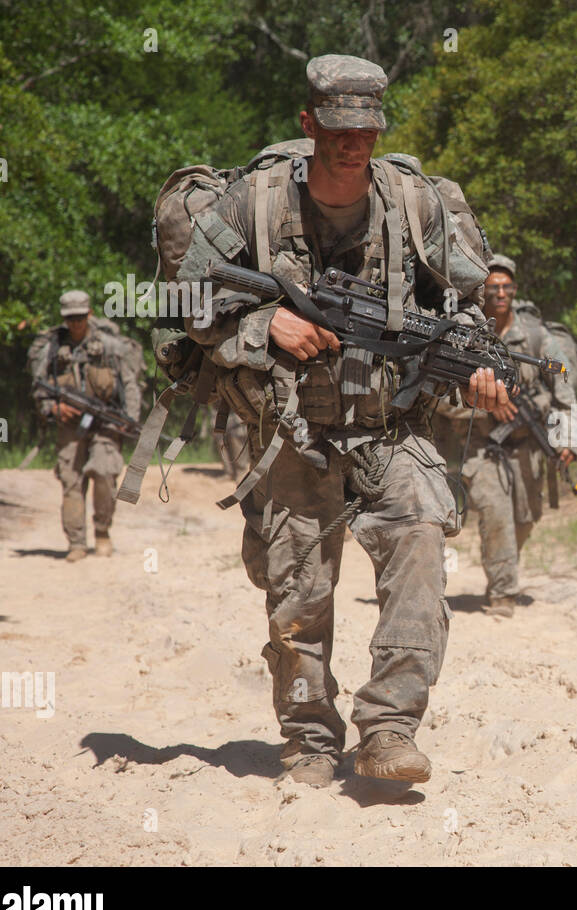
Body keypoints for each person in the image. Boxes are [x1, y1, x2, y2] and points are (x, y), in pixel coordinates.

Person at [174, 54, 511, 788]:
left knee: (421, 540)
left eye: (366, 132)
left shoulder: (414, 203)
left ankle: (389, 728)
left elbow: (465, 303)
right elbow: (183, 299)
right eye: (337, 131)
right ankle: (310, 739)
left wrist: (477, 364)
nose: (353, 145)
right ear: (309, 124)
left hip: (391, 426)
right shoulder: (255, 203)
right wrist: (265, 324)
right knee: (299, 597)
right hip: (291, 432)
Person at [438, 254, 577, 618]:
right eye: (493, 287)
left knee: (525, 519)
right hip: (483, 447)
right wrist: (487, 406)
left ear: (514, 290)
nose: (500, 293)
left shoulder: (536, 336)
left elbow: (563, 388)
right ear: (481, 291)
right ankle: (503, 594)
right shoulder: (465, 334)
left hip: (528, 446)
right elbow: (439, 397)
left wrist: (567, 439)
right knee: (496, 514)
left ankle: (502, 572)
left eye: (506, 287)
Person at [27, 290, 143, 562]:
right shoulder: (52, 348)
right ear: (64, 318)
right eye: (71, 319)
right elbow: (38, 388)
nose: (76, 323)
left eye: (80, 317)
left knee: (104, 472)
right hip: (69, 424)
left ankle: (102, 531)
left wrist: (130, 419)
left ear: (89, 314)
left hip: (105, 422)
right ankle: (76, 542)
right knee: (71, 481)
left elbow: (130, 384)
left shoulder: (110, 346)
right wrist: (53, 408)